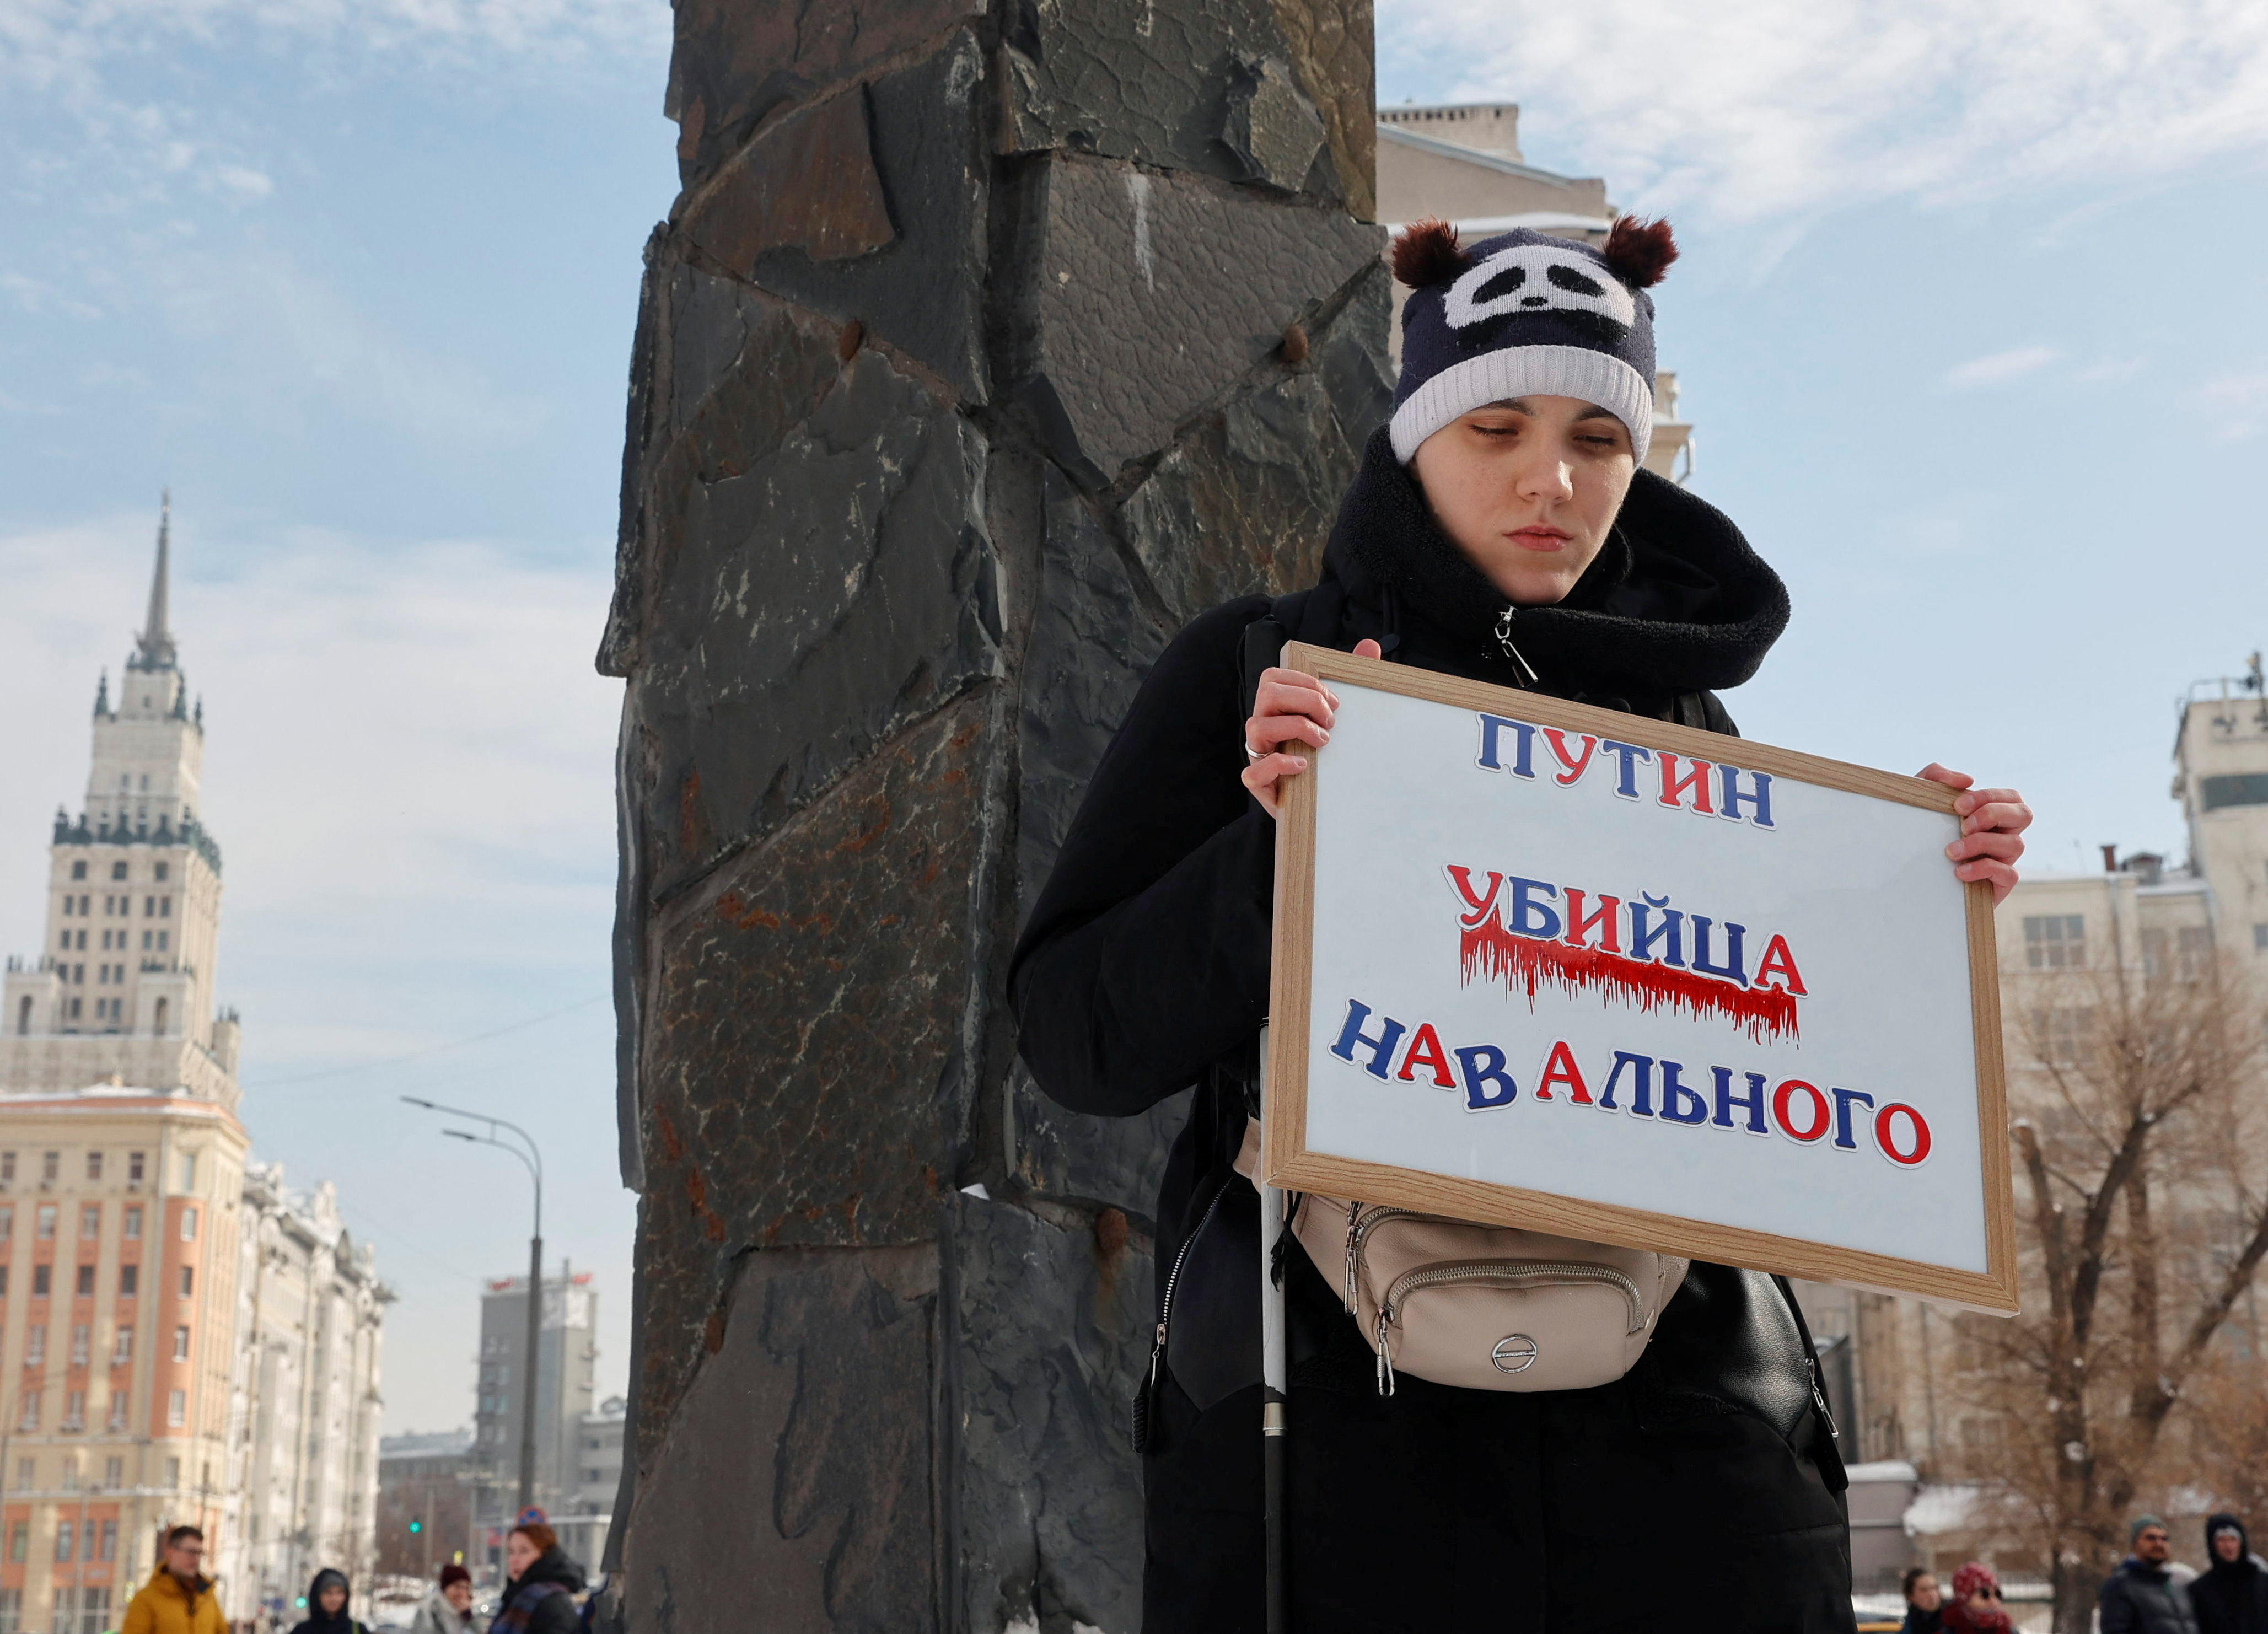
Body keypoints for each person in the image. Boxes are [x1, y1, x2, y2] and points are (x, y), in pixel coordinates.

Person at [1009, 214, 2033, 1633]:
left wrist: (1912, 898)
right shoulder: (1250, 674)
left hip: (1685, 1464)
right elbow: (1075, 1036)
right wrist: (1281, 855)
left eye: (1595, 439)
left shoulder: (1690, 723)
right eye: (1492, 423)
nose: (1546, 479)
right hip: (1332, 1464)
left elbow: (1790, 1066)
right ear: (1413, 432)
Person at [2103, 1515, 2202, 1634]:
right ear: (2135, 1543)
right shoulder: (2121, 1586)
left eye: (2164, 1539)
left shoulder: (2177, 1588)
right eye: (2151, 1538)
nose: (2159, 1543)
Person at [122, 1524, 227, 1634]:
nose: (196, 1559)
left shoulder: (207, 1595)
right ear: (170, 1553)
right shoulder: (146, 1599)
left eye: (200, 1553)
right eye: (191, 1552)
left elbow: (222, 1630)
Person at [493, 1514, 584, 1634]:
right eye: (511, 1551)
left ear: (545, 1555)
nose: (514, 1559)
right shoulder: (515, 1595)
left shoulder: (552, 1601)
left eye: (524, 1551)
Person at [2190, 1514, 2268, 1634]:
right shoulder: (2200, 1591)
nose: (2229, 1546)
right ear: (2212, 1545)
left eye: (2233, 1539)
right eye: (2222, 1540)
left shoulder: (2262, 1583)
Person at [409, 1564, 487, 1634]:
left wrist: (469, 1617)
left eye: (466, 1588)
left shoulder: (460, 1615)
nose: (462, 1593)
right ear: (445, 1588)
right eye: (457, 1587)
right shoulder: (429, 1613)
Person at [1939, 1562, 2012, 1634]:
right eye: (1985, 1595)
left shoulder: (2007, 1629)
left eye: (1997, 1594)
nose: (1994, 1601)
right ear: (1964, 1599)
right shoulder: (1946, 1628)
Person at [288, 1568, 367, 1634]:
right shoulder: (302, 1631)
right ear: (317, 1596)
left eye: (339, 1593)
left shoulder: (358, 1630)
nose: (334, 1598)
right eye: (328, 1593)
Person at [1901, 1566, 1945, 1633]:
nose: (1932, 1595)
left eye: (1934, 1588)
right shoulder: (1909, 1628)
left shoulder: (1954, 1620)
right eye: (1924, 1590)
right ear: (1910, 1596)